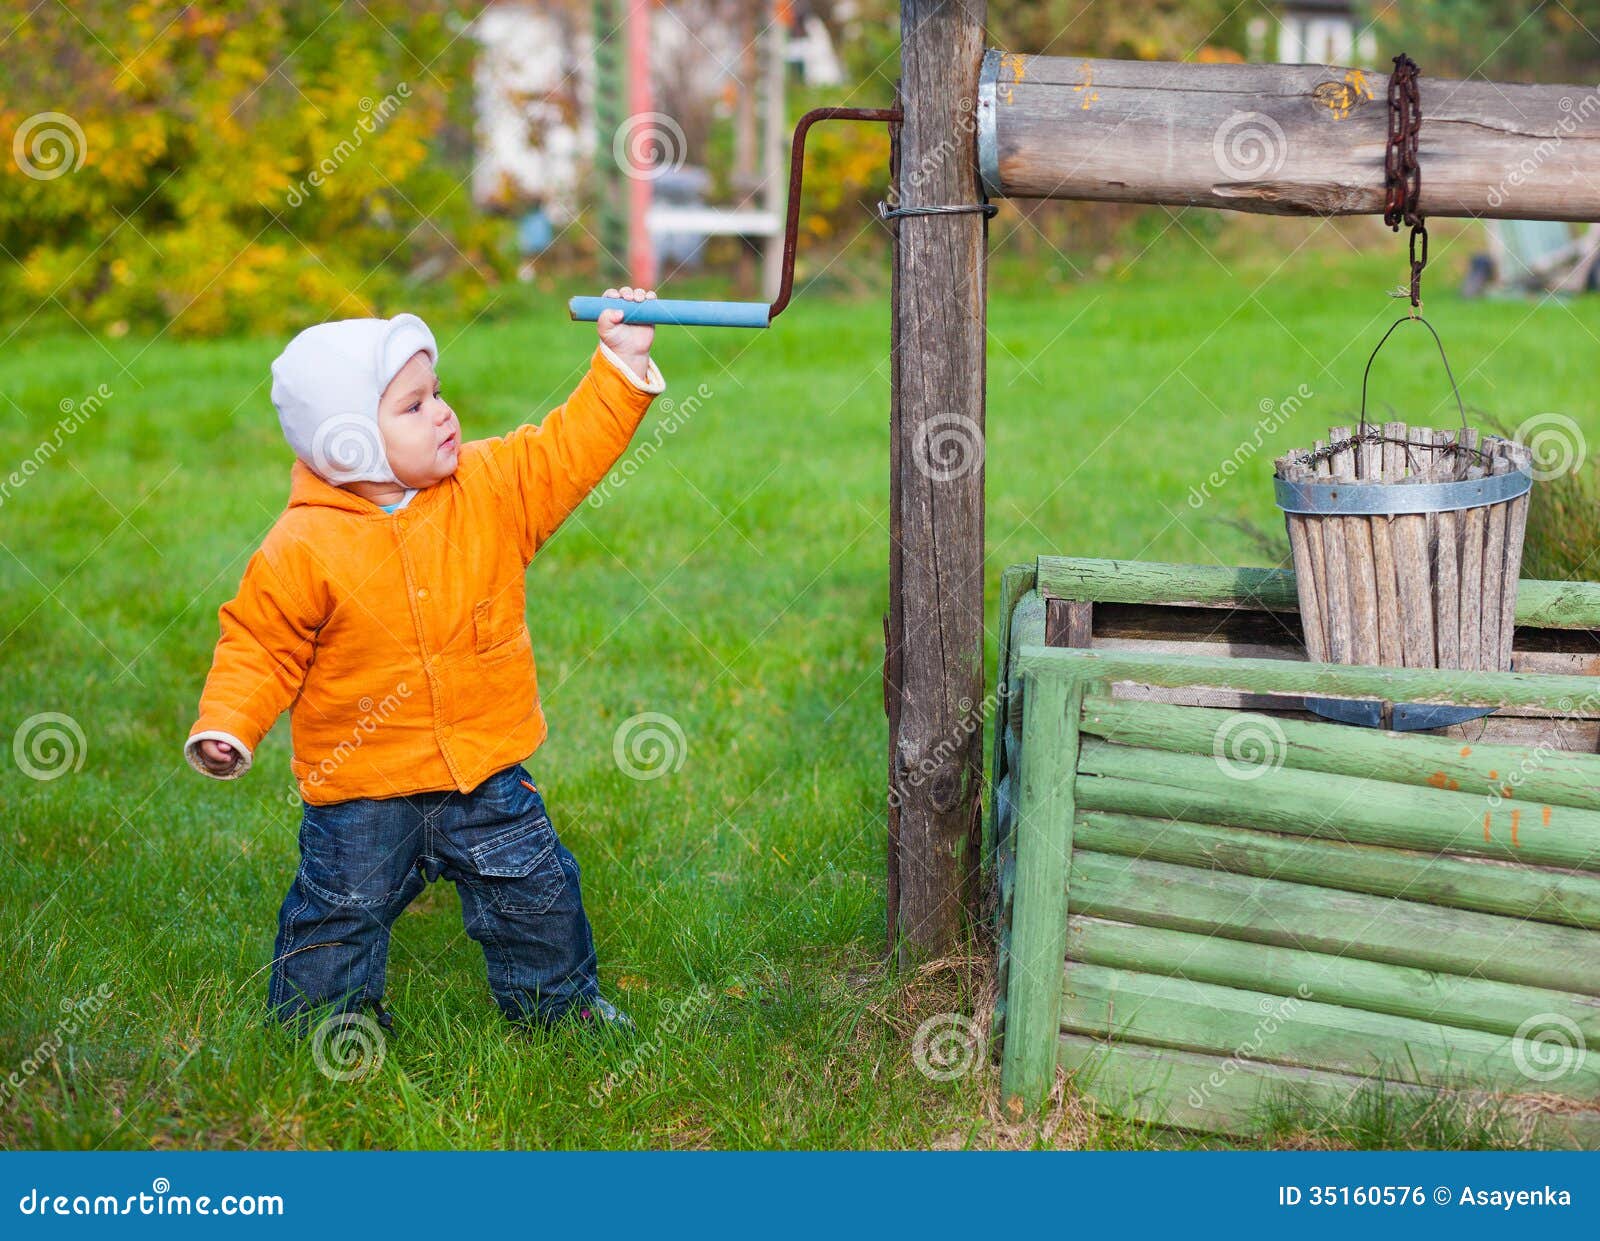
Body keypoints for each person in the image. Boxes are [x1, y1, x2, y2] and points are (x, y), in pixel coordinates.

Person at [184, 288, 663, 1035]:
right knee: (339, 912)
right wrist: (227, 723)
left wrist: (621, 361)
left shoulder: (488, 490)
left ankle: (558, 1013)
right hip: (363, 789)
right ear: (346, 440)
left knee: (536, 894)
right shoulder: (303, 544)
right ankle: (321, 1025)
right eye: (413, 406)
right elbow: (260, 642)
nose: (443, 411)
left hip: (486, 772)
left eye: (436, 393)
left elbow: (565, 452)